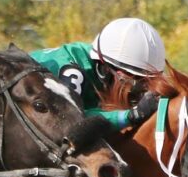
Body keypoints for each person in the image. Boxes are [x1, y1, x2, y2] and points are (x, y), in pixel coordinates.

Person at [28, 17, 166, 132]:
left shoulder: (105, 62)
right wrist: (129, 116)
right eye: (132, 83)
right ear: (104, 69)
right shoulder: (73, 71)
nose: (137, 93)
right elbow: (70, 122)